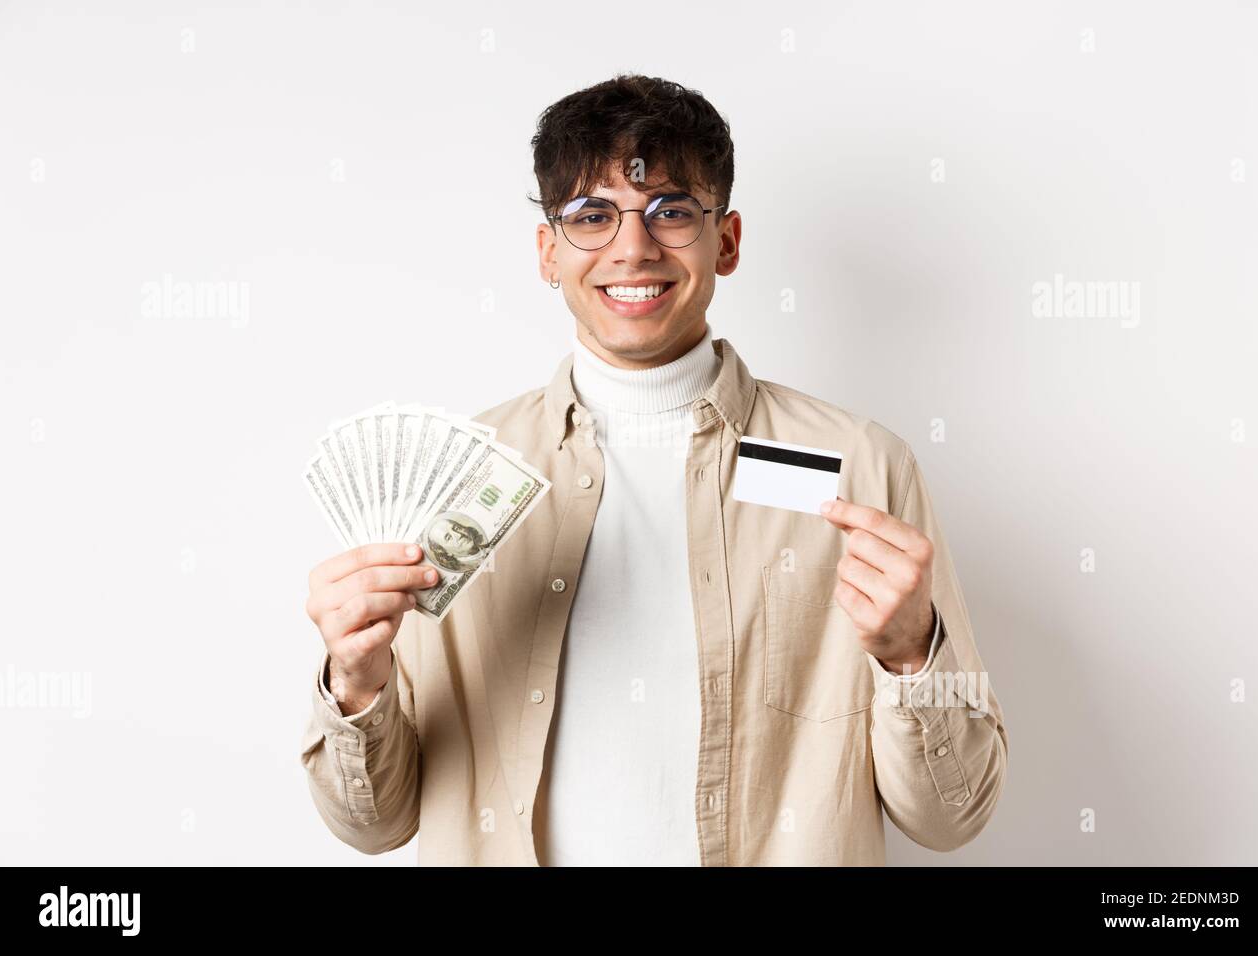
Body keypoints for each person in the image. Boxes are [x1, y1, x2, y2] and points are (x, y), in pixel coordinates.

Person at [300, 73, 1007, 866]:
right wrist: (356, 683)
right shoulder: (458, 477)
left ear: (726, 241)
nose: (633, 248)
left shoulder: (862, 466)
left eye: (671, 212)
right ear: (548, 252)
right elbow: (374, 826)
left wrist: (913, 654)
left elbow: (953, 818)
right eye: (591, 216)